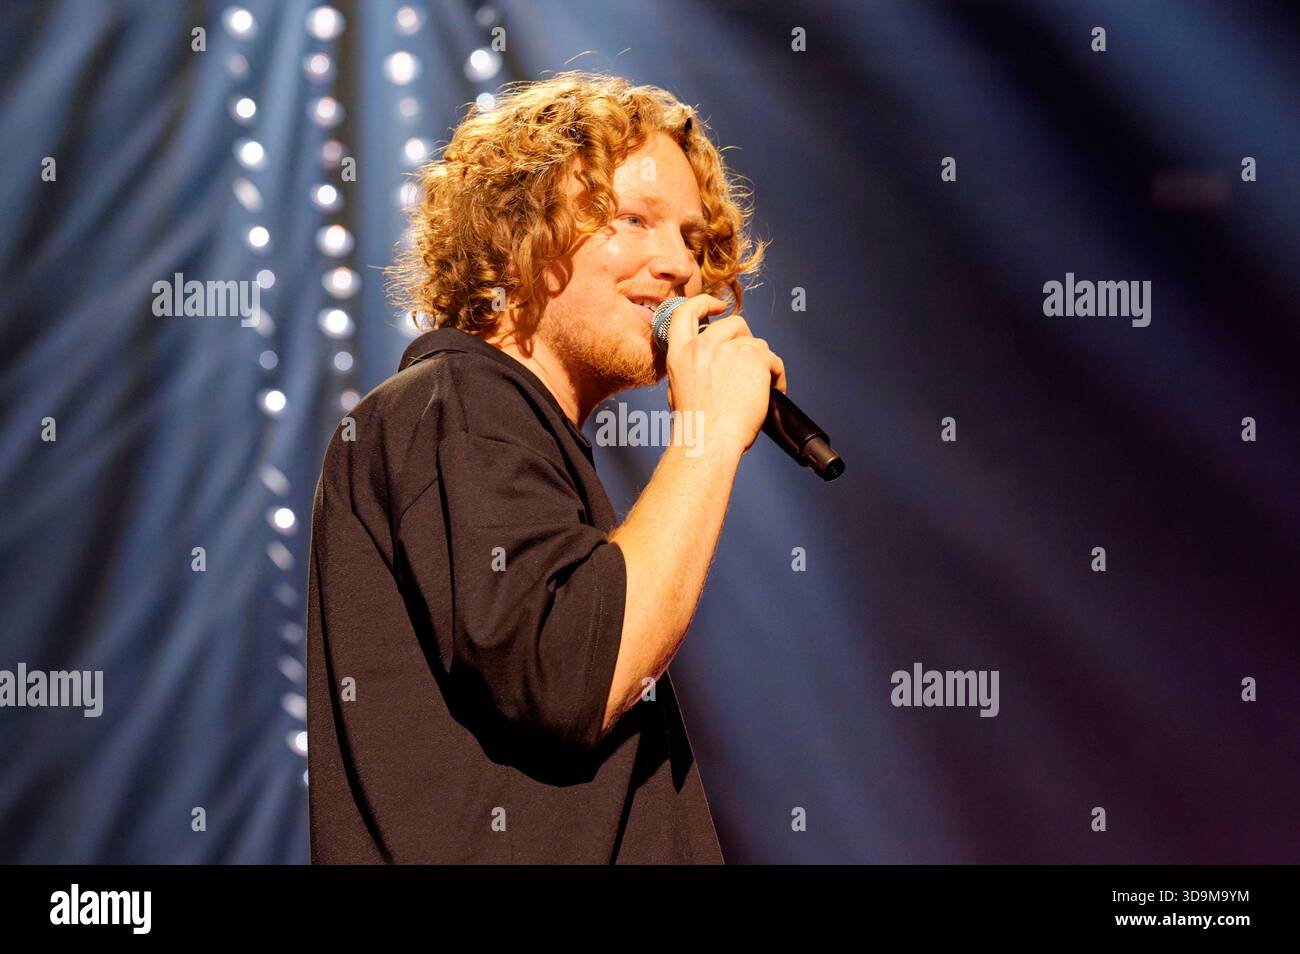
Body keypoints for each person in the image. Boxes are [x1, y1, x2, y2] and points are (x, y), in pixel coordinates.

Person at [306, 71, 786, 863]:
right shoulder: (459, 403)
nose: (679, 265)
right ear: (517, 231)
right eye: (634, 220)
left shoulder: (499, 425)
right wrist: (704, 436)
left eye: (695, 241)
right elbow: (571, 678)